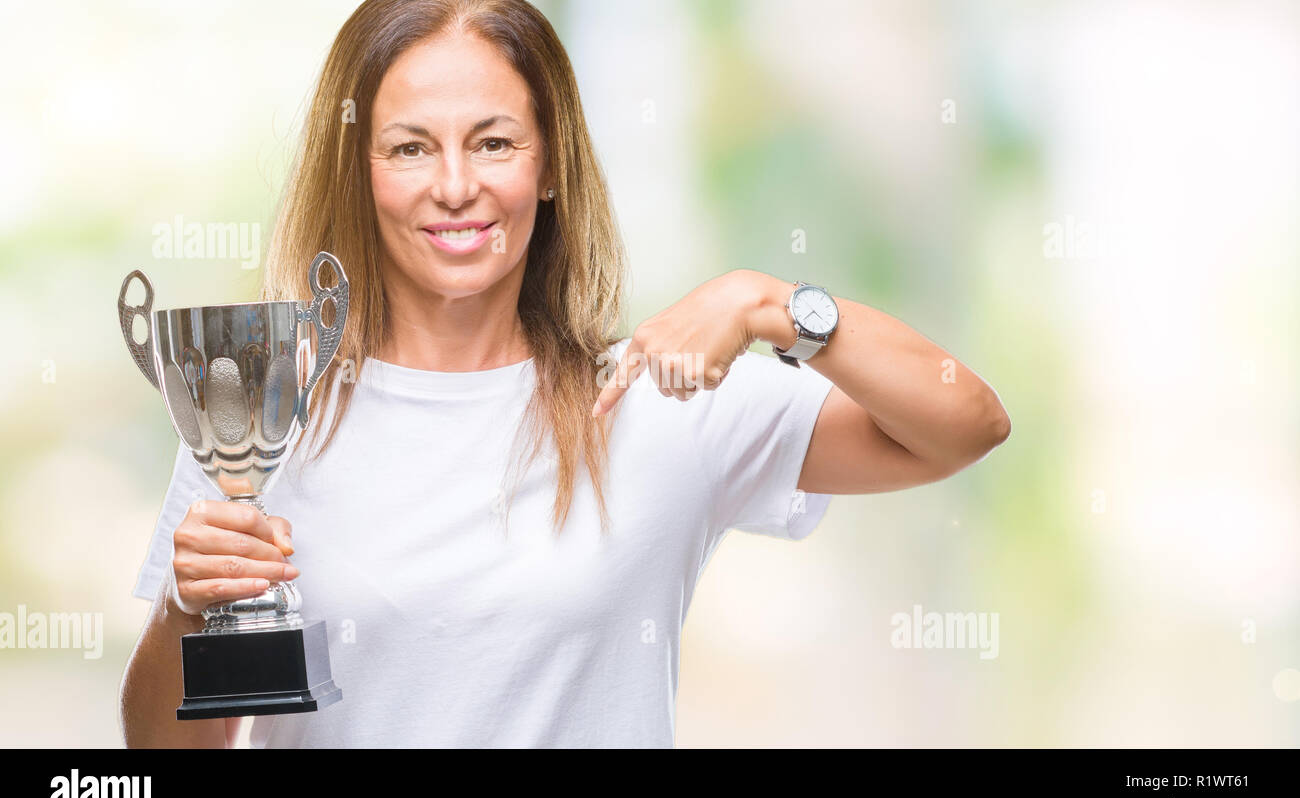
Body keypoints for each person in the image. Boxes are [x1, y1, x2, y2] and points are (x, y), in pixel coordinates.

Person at [119, 0, 1010, 748]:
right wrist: (187, 609)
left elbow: (964, 421)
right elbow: (162, 756)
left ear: (548, 166)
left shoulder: (660, 398)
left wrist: (772, 301)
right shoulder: (267, 406)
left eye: (496, 142)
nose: (457, 185)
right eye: (410, 148)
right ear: (362, 171)